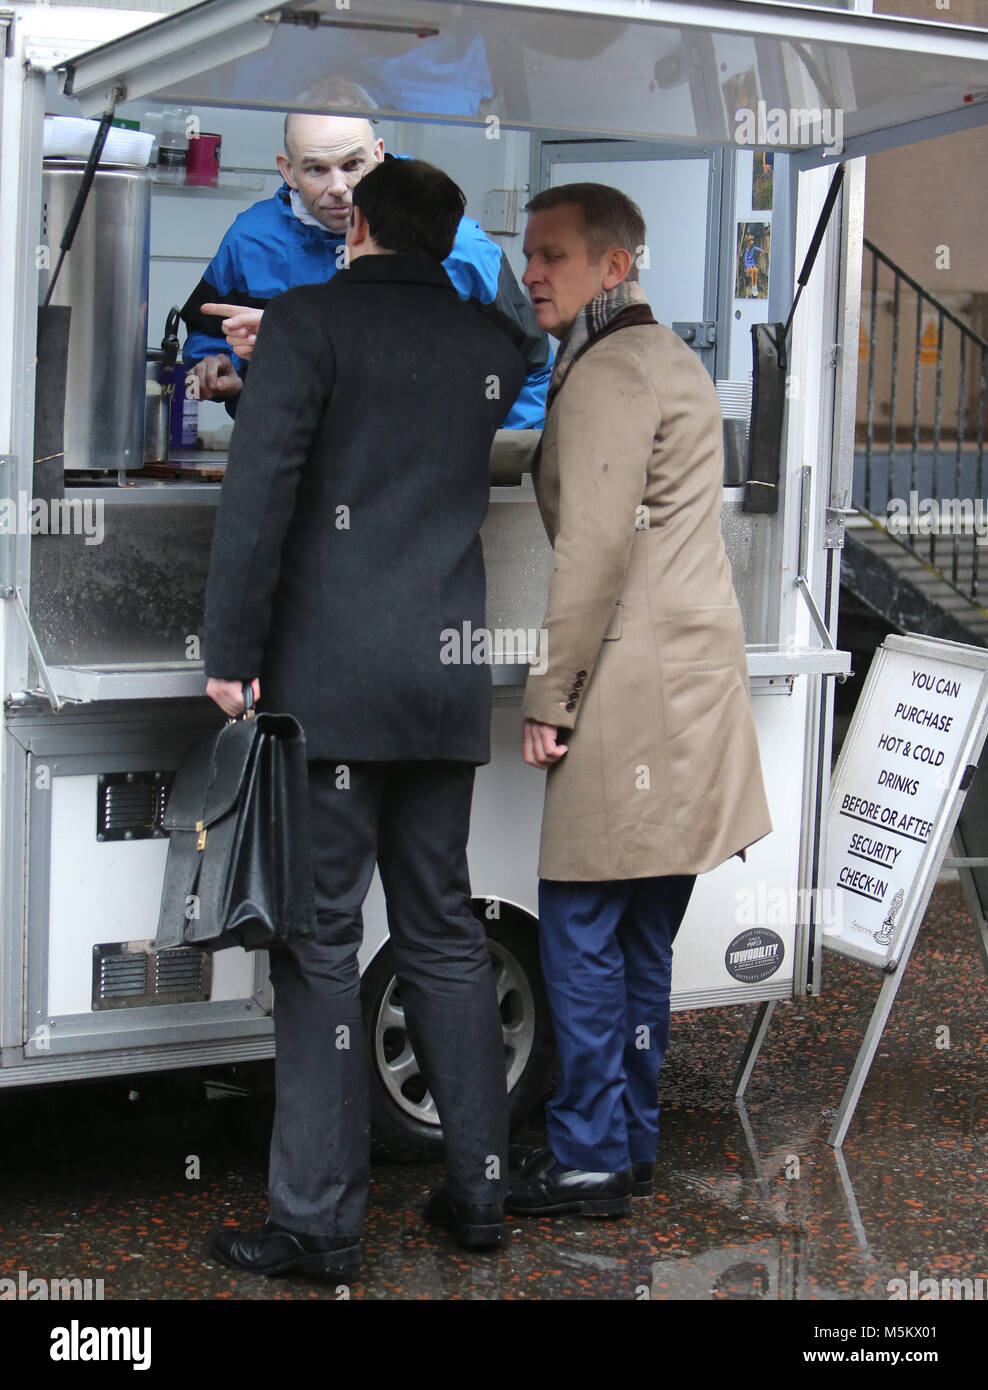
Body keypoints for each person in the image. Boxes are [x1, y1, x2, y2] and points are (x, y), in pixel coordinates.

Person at [202, 157, 527, 1277]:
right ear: (449, 241)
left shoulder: (307, 322)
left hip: (333, 685)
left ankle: (318, 1224)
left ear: (358, 227)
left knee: (321, 944)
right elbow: (523, 333)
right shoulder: (490, 340)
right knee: (441, 930)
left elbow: (260, 495)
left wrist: (230, 653)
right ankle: (479, 1193)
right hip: (443, 677)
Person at [502, 183, 773, 1217]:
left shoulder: (608, 370)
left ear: (614, 267)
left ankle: (584, 1160)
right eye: (527, 254)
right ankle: (629, 1141)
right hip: (693, 687)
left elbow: (593, 549)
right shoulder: (666, 356)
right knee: (641, 937)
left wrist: (550, 696)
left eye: (554, 256)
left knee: (578, 922)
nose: (532, 271)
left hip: (626, 693)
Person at [181, 111, 550, 428]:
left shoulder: (463, 247)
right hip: (296, 467)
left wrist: (496, 460)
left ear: (378, 153)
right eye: (316, 169)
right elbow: (207, 340)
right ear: (288, 171)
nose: (339, 187)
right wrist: (223, 370)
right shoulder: (248, 242)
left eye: (352, 165)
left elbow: (531, 365)